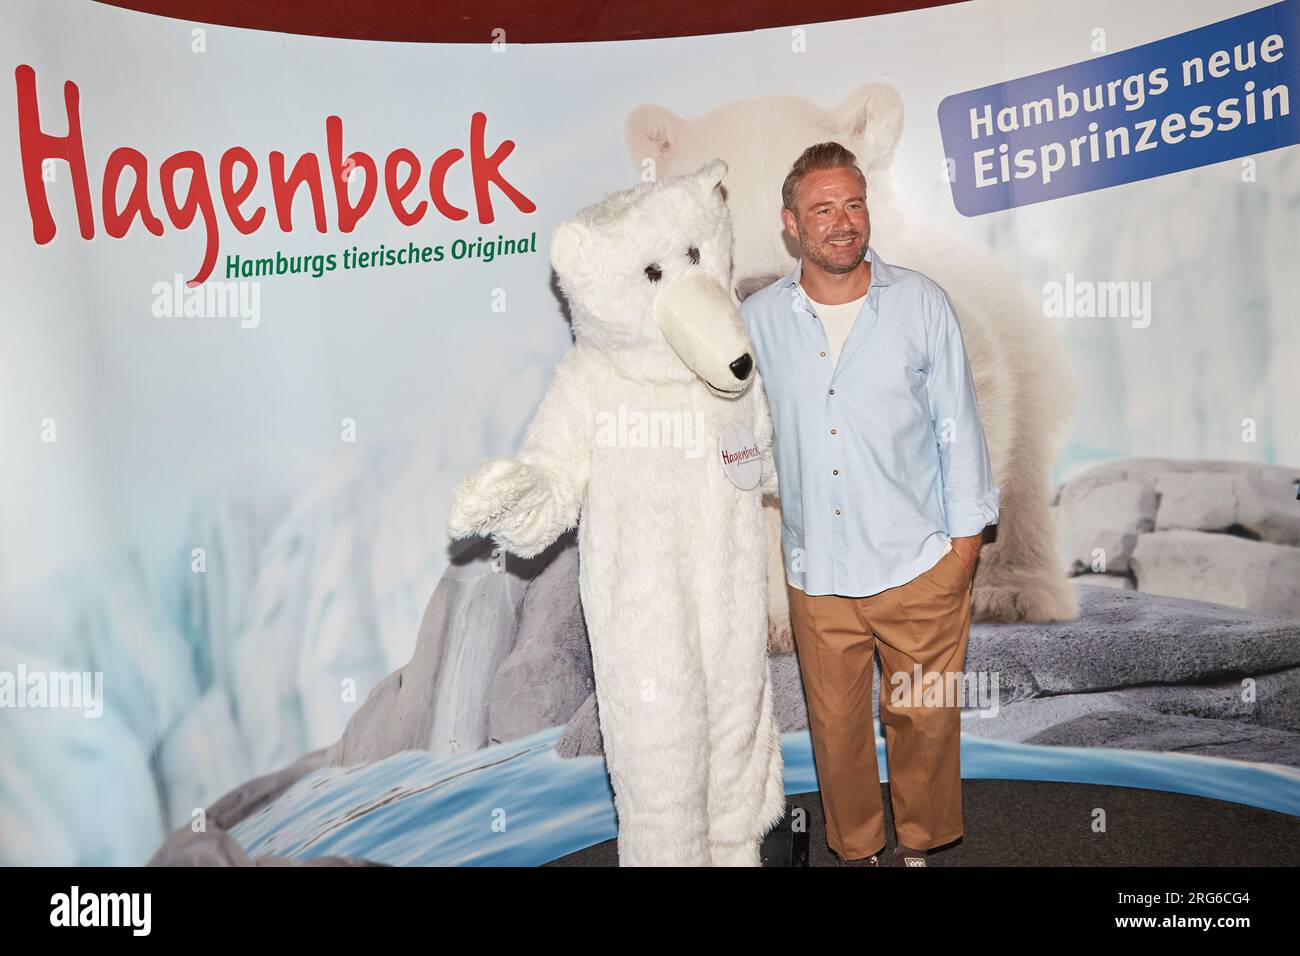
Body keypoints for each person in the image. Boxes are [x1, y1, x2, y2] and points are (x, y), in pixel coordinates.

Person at [740, 141, 999, 868]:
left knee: (924, 724)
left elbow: (961, 428)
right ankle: (857, 854)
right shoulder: (757, 321)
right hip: (816, 571)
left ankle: (918, 849)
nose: (842, 222)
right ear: (792, 223)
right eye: (823, 208)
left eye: (853, 204)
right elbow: (739, 437)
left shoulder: (920, 302)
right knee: (837, 732)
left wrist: (963, 550)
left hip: (919, 564)